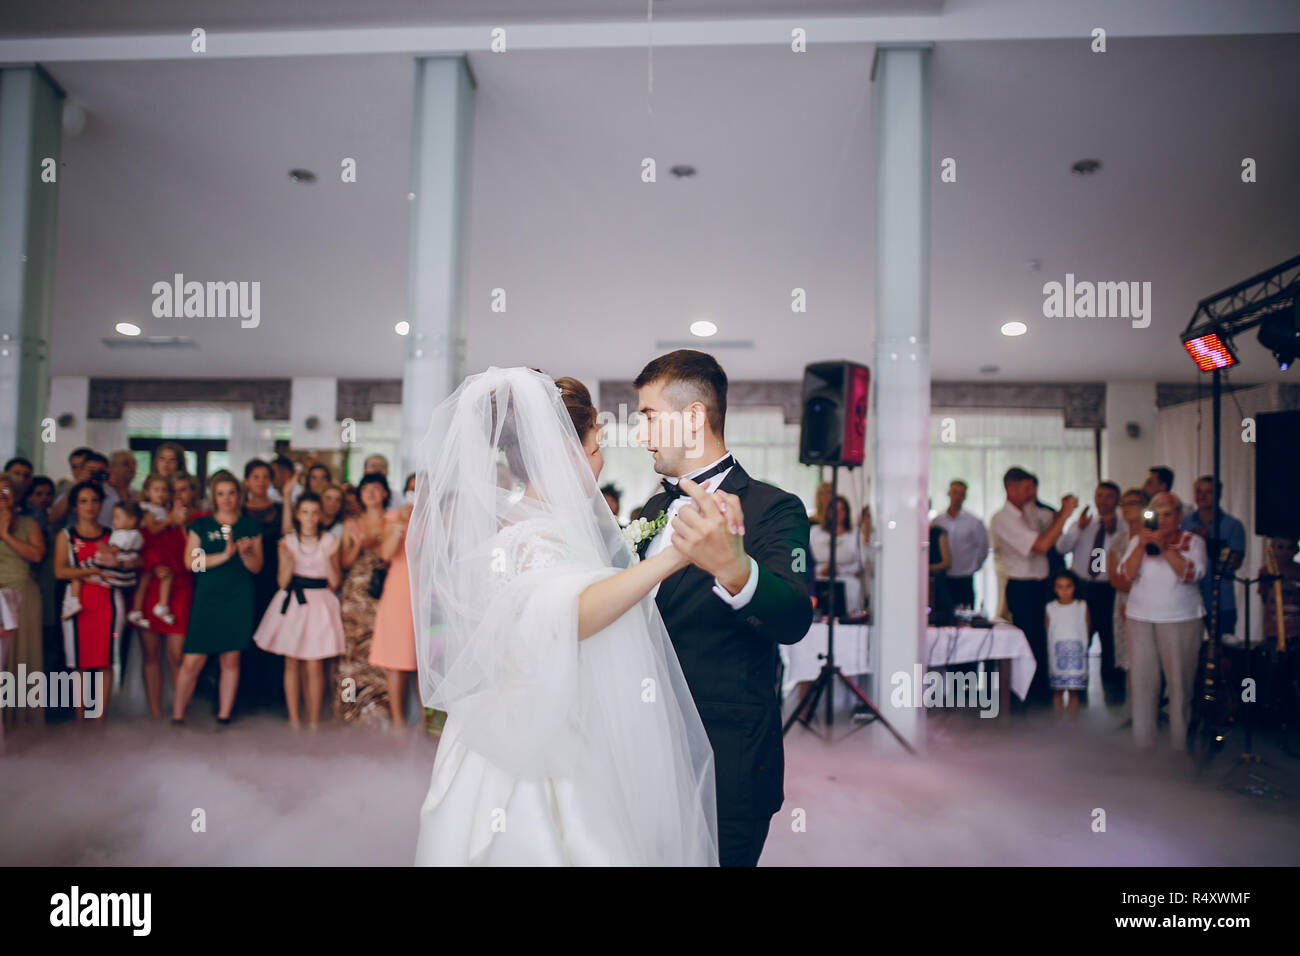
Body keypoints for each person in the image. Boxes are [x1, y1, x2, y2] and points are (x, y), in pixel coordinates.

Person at [410, 367, 718, 865]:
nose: (599, 461)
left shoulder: (546, 525)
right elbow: (568, 616)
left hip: (567, 711)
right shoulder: (529, 536)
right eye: (596, 446)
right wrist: (674, 557)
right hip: (538, 741)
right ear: (565, 451)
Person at [633, 350, 811, 866]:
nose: (641, 434)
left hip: (727, 760)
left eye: (648, 417)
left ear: (692, 419)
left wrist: (735, 567)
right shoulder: (650, 510)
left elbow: (795, 617)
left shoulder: (773, 508)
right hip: (645, 753)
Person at [172, 472, 263, 725]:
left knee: (231, 658)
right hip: (207, 597)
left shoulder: (249, 526)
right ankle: (178, 715)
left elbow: (257, 567)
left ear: (239, 495)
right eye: (221, 493)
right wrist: (224, 555)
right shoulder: (201, 525)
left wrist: (244, 555)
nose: (226, 499)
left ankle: (224, 715)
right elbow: (190, 563)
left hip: (238, 597)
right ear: (214, 497)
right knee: (193, 659)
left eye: (231, 493)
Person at [1119, 492, 1206, 750]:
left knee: (1179, 686)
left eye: (1169, 514)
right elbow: (1127, 575)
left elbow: (1191, 574)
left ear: (1179, 517)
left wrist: (1165, 547)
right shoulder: (1137, 539)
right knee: (1142, 685)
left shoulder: (1193, 541)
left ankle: (1178, 749)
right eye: (1158, 514)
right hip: (1140, 617)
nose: (1164, 520)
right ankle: (1143, 747)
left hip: (1180, 619)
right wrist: (1142, 545)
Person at [253, 492, 343, 728]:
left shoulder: (329, 542)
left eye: (315, 512)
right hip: (293, 601)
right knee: (291, 661)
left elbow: (335, 582)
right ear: (297, 515)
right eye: (305, 512)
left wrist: (330, 557)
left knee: (314, 663)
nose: (310, 518)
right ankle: (294, 720)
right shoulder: (289, 541)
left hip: (320, 602)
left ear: (321, 515)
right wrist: (288, 558)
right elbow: (282, 581)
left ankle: (313, 721)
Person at [990, 466, 1076, 704]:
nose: (1032, 492)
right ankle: (1026, 695)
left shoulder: (1031, 511)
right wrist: (1065, 515)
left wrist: (1061, 512)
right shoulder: (1003, 519)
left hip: (1042, 585)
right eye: (1027, 488)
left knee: (1044, 639)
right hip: (1023, 587)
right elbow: (1041, 546)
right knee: (1028, 642)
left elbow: (1052, 527)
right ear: (1011, 489)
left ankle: (1044, 691)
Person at [1056, 481, 1126, 703]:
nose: (1103, 500)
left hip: (1108, 589)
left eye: (1108, 496)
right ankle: (1079, 701)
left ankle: (1114, 701)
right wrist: (1078, 528)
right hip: (1082, 588)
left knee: (1110, 644)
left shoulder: (1124, 527)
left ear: (1117, 500)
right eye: (1099, 495)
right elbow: (1061, 548)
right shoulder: (1084, 523)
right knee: (1080, 640)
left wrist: (1115, 532)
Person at [53, 481, 118, 720]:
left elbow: (123, 565)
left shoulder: (112, 535)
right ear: (74, 507)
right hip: (77, 604)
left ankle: (100, 719)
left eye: (94, 500)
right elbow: (60, 571)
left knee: (106, 661)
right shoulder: (66, 536)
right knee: (77, 662)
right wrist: (93, 572)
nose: (90, 506)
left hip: (108, 603)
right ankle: (80, 718)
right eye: (83, 501)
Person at [136, 473, 197, 720]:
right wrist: (151, 566)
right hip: (152, 584)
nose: (173, 495)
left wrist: (180, 524)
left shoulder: (196, 520)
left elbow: (198, 561)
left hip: (181, 587)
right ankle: (155, 712)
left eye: (181, 490)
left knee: (177, 655)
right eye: (170, 490)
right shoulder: (146, 516)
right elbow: (136, 548)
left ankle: (179, 710)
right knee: (151, 654)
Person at [335, 472, 392, 726]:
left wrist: (377, 543)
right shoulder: (351, 523)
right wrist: (359, 544)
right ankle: (350, 709)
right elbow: (344, 562)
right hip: (354, 594)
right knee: (352, 653)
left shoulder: (392, 520)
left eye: (376, 488)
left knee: (379, 649)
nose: (370, 493)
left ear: (384, 493)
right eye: (365, 489)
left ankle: (380, 709)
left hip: (382, 592)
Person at [370, 474, 418, 728]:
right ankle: (398, 723)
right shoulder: (391, 518)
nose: (415, 495)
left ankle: (428, 723)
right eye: (411, 490)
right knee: (396, 659)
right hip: (398, 593)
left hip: (425, 592)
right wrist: (401, 523)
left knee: (424, 660)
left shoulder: (437, 520)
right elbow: (386, 554)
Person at [0, 473, 46, 729]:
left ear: (15, 496)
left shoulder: (29, 524)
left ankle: (22, 717)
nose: (2, 497)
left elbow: (37, 555)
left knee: (22, 657)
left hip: (22, 593)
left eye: (7, 491)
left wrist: (6, 535)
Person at [241, 459, 285, 708]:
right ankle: (247, 694)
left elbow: (288, 534)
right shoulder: (239, 509)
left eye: (265, 477)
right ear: (247, 481)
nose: (260, 481)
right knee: (247, 632)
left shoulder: (279, 508)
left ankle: (273, 695)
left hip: (274, 577)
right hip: (245, 577)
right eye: (255, 476)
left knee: (272, 630)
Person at [1180, 475, 1245, 637]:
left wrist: (1206, 544)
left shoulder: (1232, 525)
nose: (1202, 496)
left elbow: (1235, 562)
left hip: (1221, 600)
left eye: (1208, 492)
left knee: (1222, 652)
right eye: (1198, 491)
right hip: (1189, 598)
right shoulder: (1184, 523)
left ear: (1219, 495)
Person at [1107, 488, 1150, 687]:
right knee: (1128, 657)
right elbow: (1113, 577)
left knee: (1148, 655)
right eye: (1123, 504)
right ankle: (1133, 708)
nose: (1126, 508)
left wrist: (1136, 600)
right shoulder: (1118, 539)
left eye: (1132, 503)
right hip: (1123, 602)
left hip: (1147, 603)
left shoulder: (1152, 537)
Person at [127, 474, 177, 629]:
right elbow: (152, 529)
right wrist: (168, 521)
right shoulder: (147, 509)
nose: (160, 493)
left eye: (164, 490)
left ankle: (145, 609)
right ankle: (146, 608)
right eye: (156, 490)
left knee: (154, 577)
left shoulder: (163, 509)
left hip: (159, 547)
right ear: (147, 492)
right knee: (146, 579)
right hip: (150, 547)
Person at [932, 480, 988, 610]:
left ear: (965, 497)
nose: (957, 497)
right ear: (949, 493)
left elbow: (982, 548)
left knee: (965, 618)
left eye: (961, 494)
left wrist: (972, 567)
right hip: (943, 579)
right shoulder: (938, 521)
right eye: (955, 492)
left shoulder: (974, 522)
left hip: (965, 579)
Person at [1045, 570, 1090, 718]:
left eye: (1068, 586)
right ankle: (1058, 722)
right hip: (1057, 654)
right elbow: (1048, 631)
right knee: (1057, 690)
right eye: (1060, 587)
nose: (1064, 591)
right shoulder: (1050, 608)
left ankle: (1072, 722)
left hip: (1077, 654)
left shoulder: (1082, 606)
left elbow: (1086, 629)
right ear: (1054, 589)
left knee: (1074, 690)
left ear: (1074, 587)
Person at [809, 495, 863, 614]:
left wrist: (840, 570)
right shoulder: (815, 532)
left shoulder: (855, 534)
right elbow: (807, 561)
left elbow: (860, 564)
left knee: (854, 587)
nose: (838, 513)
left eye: (842, 509)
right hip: (820, 579)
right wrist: (820, 570)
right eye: (834, 509)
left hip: (846, 579)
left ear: (847, 512)